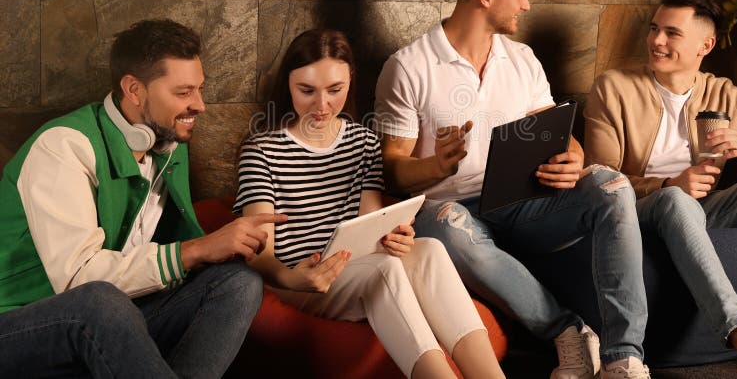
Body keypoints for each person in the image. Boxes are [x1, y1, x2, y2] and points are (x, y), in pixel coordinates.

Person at [374, 0, 651, 379]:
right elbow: (392, 167)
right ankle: (568, 332)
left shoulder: (521, 59)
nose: (527, 3)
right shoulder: (408, 67)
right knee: (448, 221)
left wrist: (572, 160)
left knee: (612, 185)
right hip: (445, 208)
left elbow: (561, 135)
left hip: (521, 200)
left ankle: (625, 358)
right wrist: (436, 167)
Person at [0, 19, 283, 378]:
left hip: (113, 312)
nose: (200, 105)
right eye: (183, 93)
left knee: (237, 283)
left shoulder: (167, 142)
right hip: (18, 320)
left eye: (200, 89)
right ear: (134, 90)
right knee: (101, 301)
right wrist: (195, 250)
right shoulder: (63, 146)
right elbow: (78, 282)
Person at [234, 28, 504, 379]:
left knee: (429, 250)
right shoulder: (261, 151)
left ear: (350, 83)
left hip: (353, 267)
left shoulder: (363, 142)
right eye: (307, 91)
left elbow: (372, 224)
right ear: (288, 85)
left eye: (335, 90)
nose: (322, 105)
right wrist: (293, 277)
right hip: (296, 278)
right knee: (384, 270)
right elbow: (261, 253)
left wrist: (396, 237)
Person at [584, 0, 737, 379]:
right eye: (654, 29)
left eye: (672, 33)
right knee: (678, 202)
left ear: (706, 44)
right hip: (639, 211)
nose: (656, 41)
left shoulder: (723, 93)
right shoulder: (613, 88)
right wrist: (669, 184)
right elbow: (600, 180)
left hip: (707, 210)